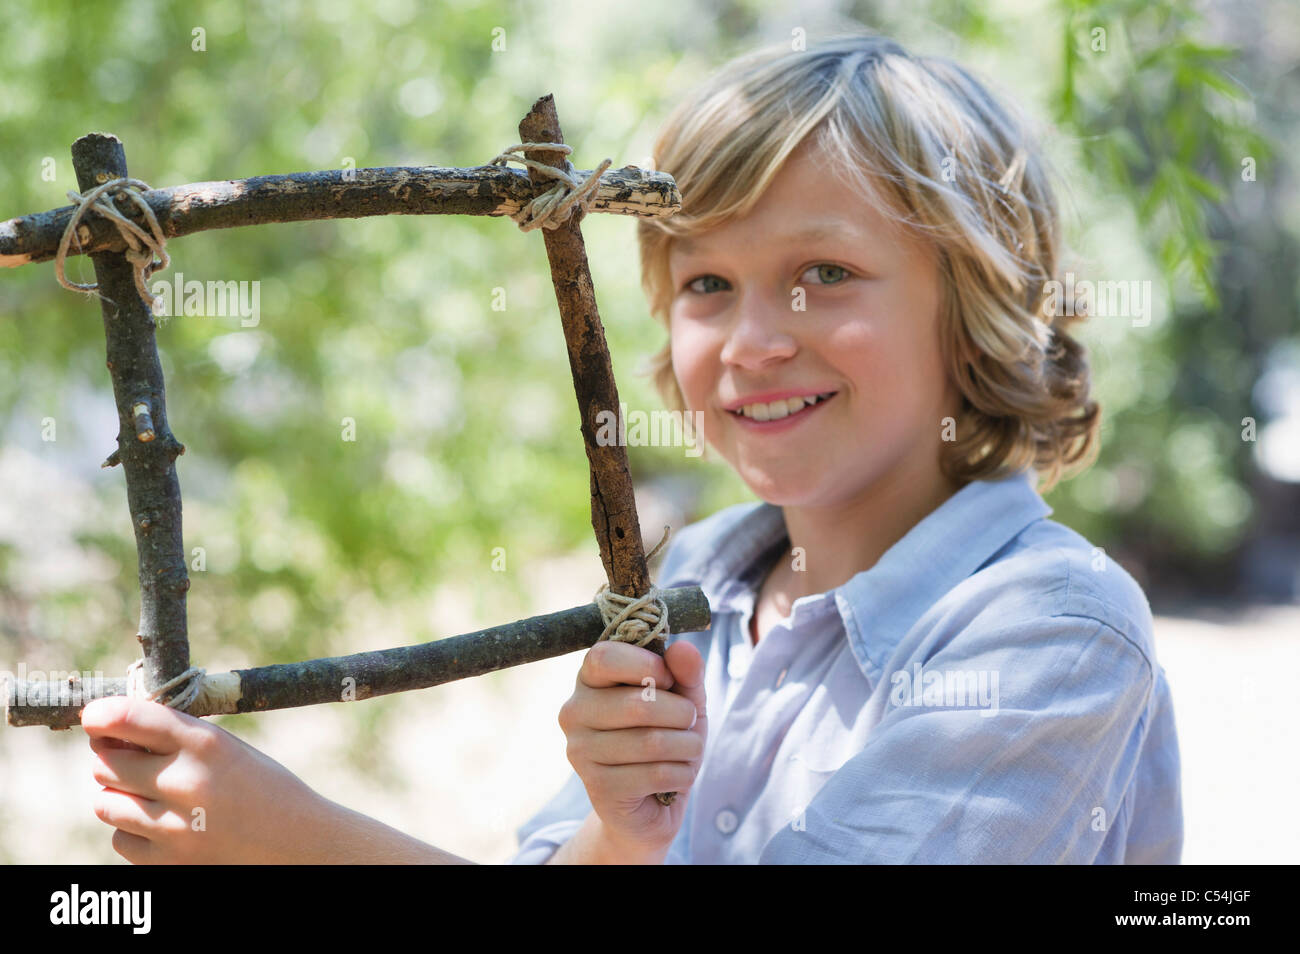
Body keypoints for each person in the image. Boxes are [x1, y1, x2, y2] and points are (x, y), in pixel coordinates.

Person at [81, 31, 1182, 865]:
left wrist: (299, 842)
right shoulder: (697, 577)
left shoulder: (1049, 632)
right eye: (707, 284)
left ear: (977, 302)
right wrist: (618, 838)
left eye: (826, 274)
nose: (751, 342)